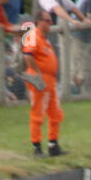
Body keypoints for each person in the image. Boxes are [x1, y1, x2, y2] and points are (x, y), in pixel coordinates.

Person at [21, 8, 63, 156]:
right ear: (38, 22)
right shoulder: (33, 35)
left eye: (51, 20)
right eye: (47, 20)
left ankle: (53, 144)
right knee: (38, 112)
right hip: (40, 79)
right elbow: (27, 55)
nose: (50, 23)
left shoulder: (44, 38)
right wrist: (38, 73)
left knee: (55, 112)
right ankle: (36, 146)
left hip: (50, 80)